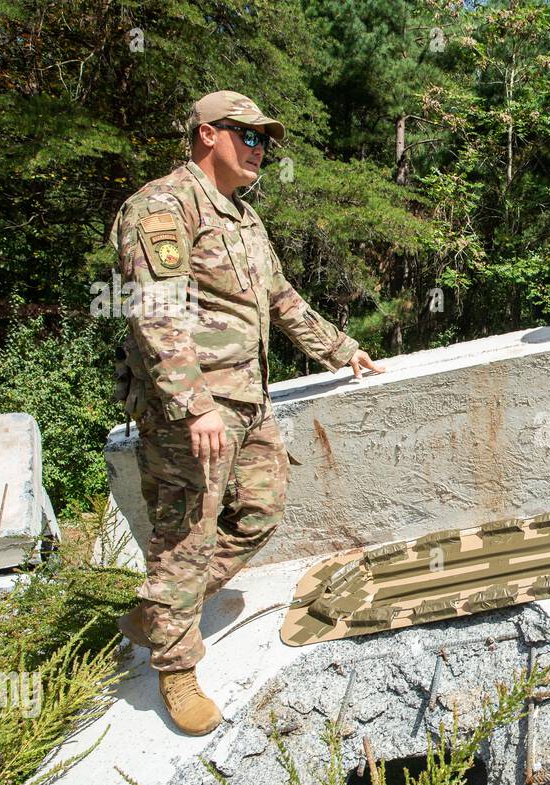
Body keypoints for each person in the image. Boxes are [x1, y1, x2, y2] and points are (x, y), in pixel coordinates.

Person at [109, 90, 383, 735]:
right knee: (184, 538)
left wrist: (340, 349)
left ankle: (158, 610)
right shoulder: (160, 208)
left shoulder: (241, 217)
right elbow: (155, 312)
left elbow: (280, 297)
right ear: (208, 135)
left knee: (262, 507)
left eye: (266, 140)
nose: (261, 149)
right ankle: (174, 668)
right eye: (249, 136)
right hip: (192, 409)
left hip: (247, 397)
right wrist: (191, 403)